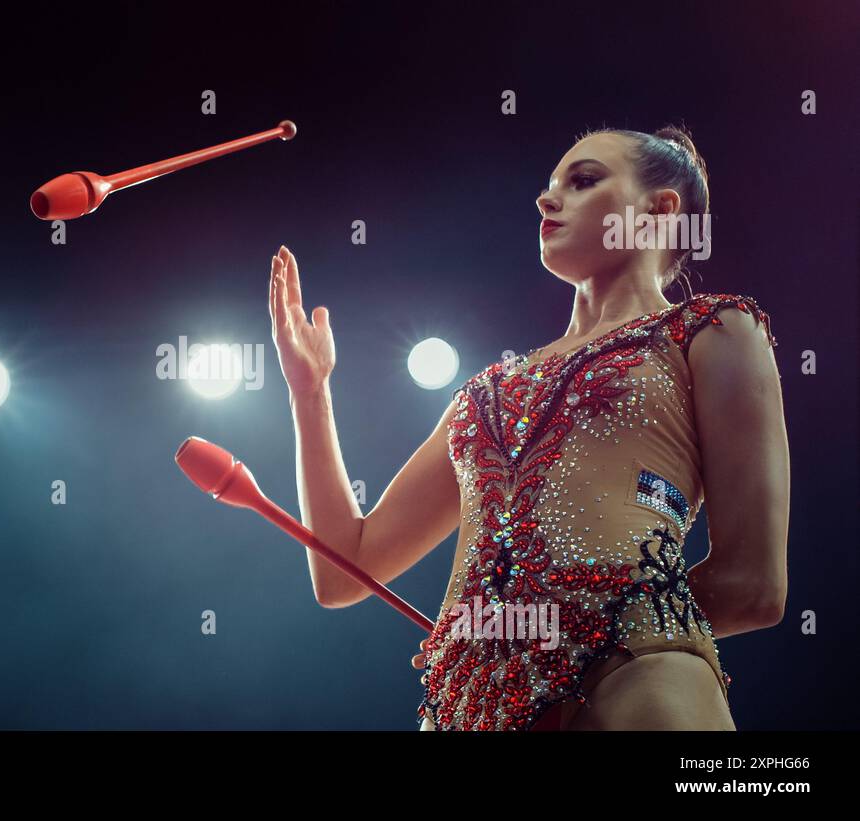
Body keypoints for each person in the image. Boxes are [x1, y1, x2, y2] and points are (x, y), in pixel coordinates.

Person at [267, 125, 789, 731]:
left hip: (635, 682)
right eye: (549, 185)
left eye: (583, 180)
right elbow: (343, 570)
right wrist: (310, 392)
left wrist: (564, 631)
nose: (546, 198)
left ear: (659, 210)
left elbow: (753, 585)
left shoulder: (711, 331)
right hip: (472, 711)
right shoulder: (483, 394)